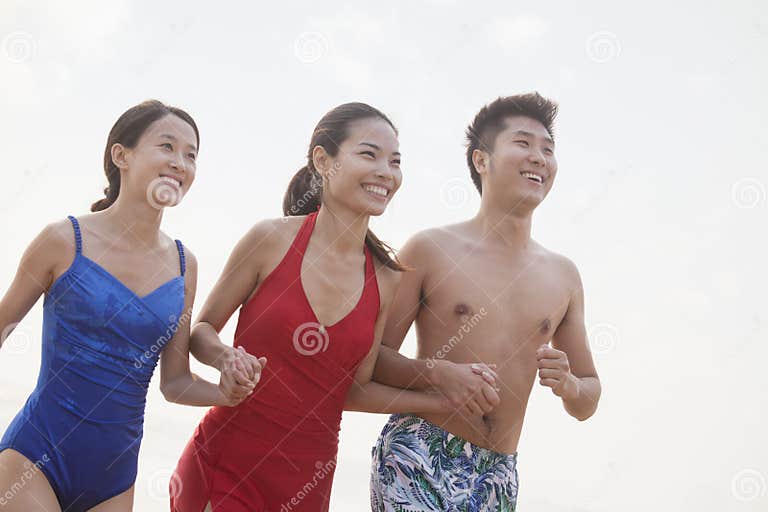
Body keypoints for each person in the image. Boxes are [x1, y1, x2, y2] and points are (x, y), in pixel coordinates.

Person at [170, 102, 499, 512]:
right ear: (323, 161)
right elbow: (201, 331)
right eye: (369, 154)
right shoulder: (269, 240)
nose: (386, 171)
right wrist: (226, 359)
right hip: (226, 467)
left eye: (395, 162)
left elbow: (353, 389)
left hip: (308, 483)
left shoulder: (386, 277)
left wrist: (443, 400)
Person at [0, 100, 250, 512]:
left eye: (191, 155)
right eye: (167, 146)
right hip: (34, 455)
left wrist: (224, 394)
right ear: (122, 156)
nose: (180, 163)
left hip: (114, 476)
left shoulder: (185, 266)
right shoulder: (63, 240)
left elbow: (174, 382)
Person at [370, 93, 602, 511]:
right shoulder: (430, 248)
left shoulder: (563, 276)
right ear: (481, 160)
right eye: (523, 143)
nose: (538, 158)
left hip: (498, 473)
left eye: (548, 149)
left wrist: (568, 383)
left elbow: (588, 399)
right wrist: (439, 373)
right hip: (418, 453)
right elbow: (370, 361)